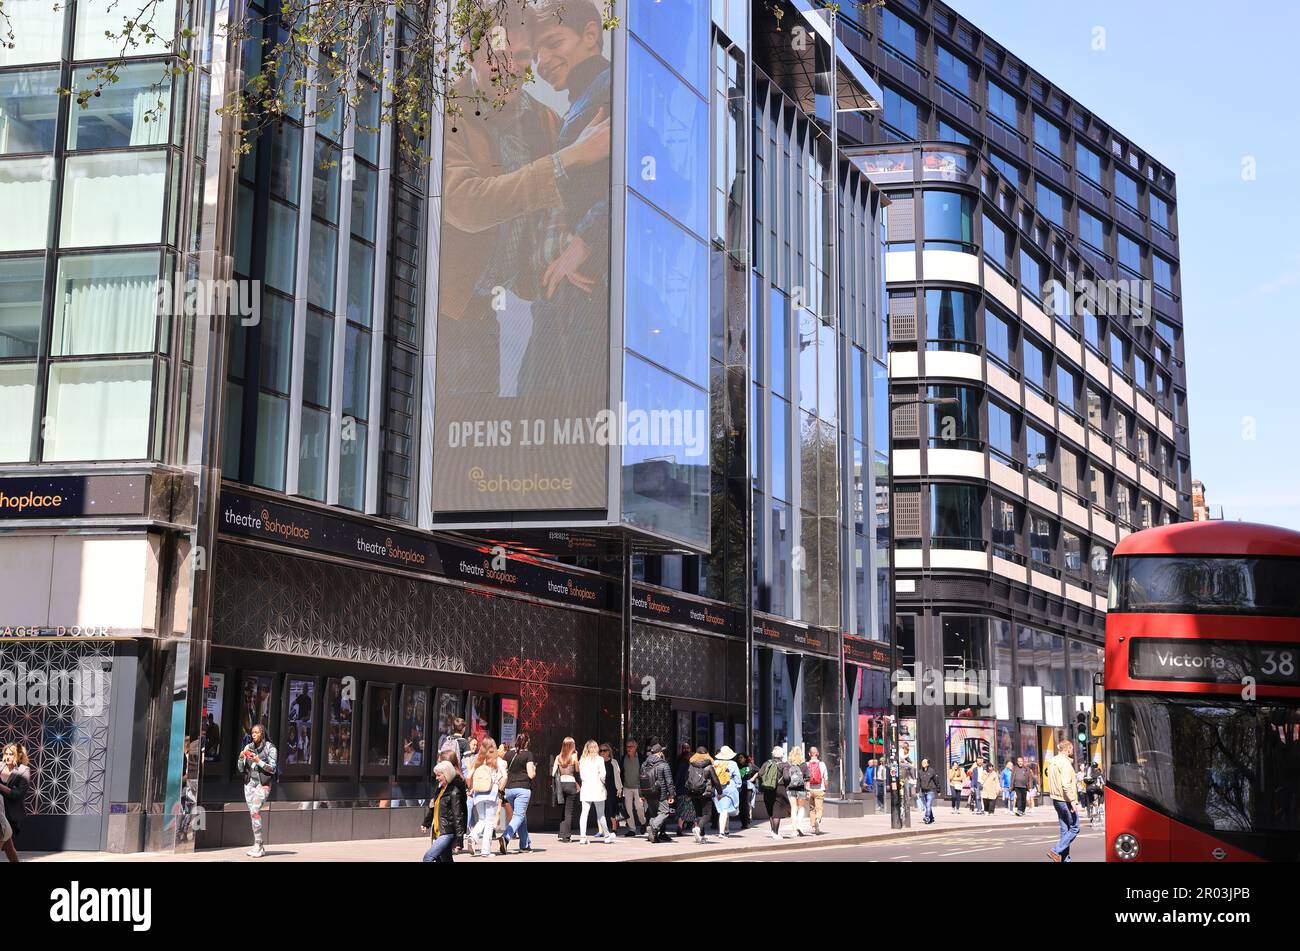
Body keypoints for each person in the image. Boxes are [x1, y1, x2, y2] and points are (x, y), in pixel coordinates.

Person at [235, 723, 277, 857]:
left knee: (255, 811)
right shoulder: (249, 747)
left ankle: (258, 845)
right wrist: (241, 758)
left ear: (262, 733)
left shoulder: (270, 748)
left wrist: (258, 760)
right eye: (252, 732)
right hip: (249, 784)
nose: (253, 735)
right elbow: (241, 769)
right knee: (253, 814)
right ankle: (259, 846)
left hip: (263, 784)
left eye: (256, 732)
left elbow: (273, 769)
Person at [465, 736, 507, 857]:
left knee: (481, 819)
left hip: (478, 794)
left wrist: (470, 788)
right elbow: (505, 776)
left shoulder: (478, 759)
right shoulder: (496, 759)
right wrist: (500, 790)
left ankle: (472, 837)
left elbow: (468, 777)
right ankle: (485, 851)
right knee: (489, 822)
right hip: (491, 793)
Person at [422, 760, 468, 863]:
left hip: (447, 832)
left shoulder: (454, 792)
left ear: (447, 774)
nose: (437, 778)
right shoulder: (440, 790)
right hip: (438, 832)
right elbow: (434, 808)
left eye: (439, 775)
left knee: (428, 858)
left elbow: (458, 816)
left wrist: (459, 841)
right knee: (445, 860)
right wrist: (426, 823)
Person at [498, 732, 536, 854]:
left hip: (509, 789)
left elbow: (503, 769)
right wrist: (534, 768)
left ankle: (524, 845)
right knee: (519, 816)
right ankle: (506, 836)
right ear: (527, 742)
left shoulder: (508, 754)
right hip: (523, 789)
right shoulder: (528, 754)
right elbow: (531, 774)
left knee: (521, 817)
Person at [1046, 739, 1081, 862]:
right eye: (1071, 749)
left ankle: (1063, 860)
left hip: (1056, 799)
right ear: (1067, 749)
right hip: (1065, 800)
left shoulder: (1052, 762)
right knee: (1075, 828)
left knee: (1065, 830)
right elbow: (1066, 784)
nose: (1072, 751)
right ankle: (1055, 850)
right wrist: (1072, 801)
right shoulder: (1065, 763)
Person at [577, 739, 615, 844]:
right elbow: (603, 775)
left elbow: (582, 776)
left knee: (584, 814)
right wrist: (603, 783)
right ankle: (607, 836)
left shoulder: (582, 759)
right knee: (601, 814)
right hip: (598, 789)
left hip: (586, 789)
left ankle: (583, 837)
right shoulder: (599, 760)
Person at [640, 742, 675, 843]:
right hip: (660, 793)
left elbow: (641, 780)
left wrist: (641, 794)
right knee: (664, 812)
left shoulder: (644, 764)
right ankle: (653, 827)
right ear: (660, 753)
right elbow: (669, 781)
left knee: (653, 814)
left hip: (648, 793)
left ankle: (654, 836)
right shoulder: (664, 764)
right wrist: (671, 794)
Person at [684, 746, 721, 842]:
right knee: (707, 815)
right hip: (705, 793)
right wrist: (720, 792)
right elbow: (716, 780)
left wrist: (687, 792)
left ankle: (702, 835)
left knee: (699, 814)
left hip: (694, 793)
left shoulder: (691, 765)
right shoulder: (709, 766)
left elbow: (687, 779)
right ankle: (699, 828)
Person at [754, 746, 791, 839]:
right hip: (780, 789)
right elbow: (786, 777)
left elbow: (760, 774)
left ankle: (773, 831)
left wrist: (766, 782)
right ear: (782, 755)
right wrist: (786, 784)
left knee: (771, 812)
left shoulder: (767, 763)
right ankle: (775, 833)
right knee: (777, 812)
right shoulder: (784, 765)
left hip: (768, 790)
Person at [0, 744, 31, 848]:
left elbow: (18, 795)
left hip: (10, 814)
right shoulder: (0, 766)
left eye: (11, 754)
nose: (8, 756)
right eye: (6, 753)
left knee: (6, 844)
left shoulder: (23, 770)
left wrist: (1, 787)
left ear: (18, 756)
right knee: (8, 846)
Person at [551, 736, 581, 842]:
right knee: (569, 811)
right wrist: (576, 758)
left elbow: (553, 772)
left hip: (561, 785)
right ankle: (566, 835)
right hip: (571, 784)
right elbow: (577, 770)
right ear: (572, 746)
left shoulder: (558, 757)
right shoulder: (574, 756)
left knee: (563, 810)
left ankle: (561, 833)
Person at [712, 746, 742, 836]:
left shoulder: (715, 763)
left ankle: (726, 829)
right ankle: (721, 832)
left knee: (724, 809)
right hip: (729, 787)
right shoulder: (733, 764)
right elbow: (737, 777)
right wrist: (738, 786)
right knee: (725, 810)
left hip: (718, 788)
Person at [620, 739, 645, 837]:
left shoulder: (641, 758)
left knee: (639, 807)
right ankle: (632, 829)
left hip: (638, 787)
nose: (628, 749)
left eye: (631, 746)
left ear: (635, 747)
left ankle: (643, 823)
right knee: (628, 809)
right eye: (627, 747)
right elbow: (621, 772)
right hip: (627, 787)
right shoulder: (624, 758)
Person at [598, 742, 623, 837]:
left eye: (605, 750)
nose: (602, 752)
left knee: (612, 809)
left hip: (612, 789)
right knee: (602, 809)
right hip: (601, 788)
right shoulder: (598, 763)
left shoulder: (613, 762)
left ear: (609, 752)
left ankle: (614, 828)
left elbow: (617, 776)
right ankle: (602, 830)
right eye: (601, 751)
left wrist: (619, 789)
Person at [673, 742, 696, 836]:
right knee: (691, 809)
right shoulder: (688, 762)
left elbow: (677, 776)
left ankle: (681, 826)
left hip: (684, 789)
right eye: (684, 748)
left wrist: (674, 786)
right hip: (688, 789)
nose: (686, 750)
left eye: (687, 748)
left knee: (682, 808)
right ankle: (696, 828)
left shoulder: (684, 762)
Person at [805, 746, 829, 835]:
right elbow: (825, 778)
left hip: (810, 790)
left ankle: (813, 825)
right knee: (819, 808)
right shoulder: (822, 764)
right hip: (820, 789)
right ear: (817, 754)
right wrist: (825, 788)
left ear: (809, 754)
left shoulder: (806, 765)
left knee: (812, 808)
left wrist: (806, 790)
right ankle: (817, 820)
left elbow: (805, 779)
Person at [916, 757, 941, 824]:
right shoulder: (920, 772)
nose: (923, 763)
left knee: (928, 804)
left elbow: (936, 781)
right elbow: (918, 782)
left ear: (927, 764)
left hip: (930, 790)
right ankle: (932, 818)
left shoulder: (932, 771)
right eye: (922, 762)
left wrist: (938, 790)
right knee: (928, 806)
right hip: (923, 790)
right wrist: (917, 791)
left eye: (924, 762)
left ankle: (927, 817)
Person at [736, 753, 755, 829]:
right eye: (739, 758)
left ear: (745, 758)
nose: (740, 759)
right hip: (739, 787)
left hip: (747, 787)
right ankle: (743, 822)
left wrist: (753, 778)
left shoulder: (749, 765)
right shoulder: (736, 766)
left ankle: (746, 822)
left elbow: (759, 771)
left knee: (746, 804)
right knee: (741, 805)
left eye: (742, 757)